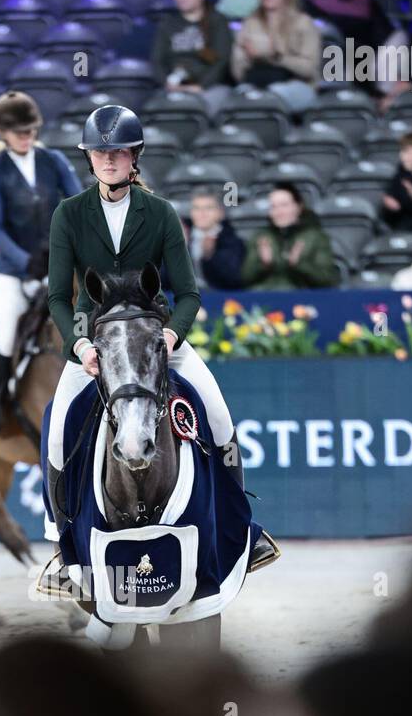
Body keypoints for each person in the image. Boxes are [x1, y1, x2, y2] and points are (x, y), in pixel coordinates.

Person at [46, 103, 278, 573]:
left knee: (219, 416)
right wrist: (80, 345)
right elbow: (57, 298)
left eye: (118, 152)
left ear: (134, 156)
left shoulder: (160, 213)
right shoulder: (69, 214)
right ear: (89, 158)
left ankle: (243, 531)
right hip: (95, 340)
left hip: (155, 337)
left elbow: (189, 294)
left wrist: (172, 335)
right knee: (55, 433)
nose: (108, 159)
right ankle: (62, 550)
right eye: (99, 152)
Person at [0, 91, 81, 438]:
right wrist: (26, 261)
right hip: (16, 272)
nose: (26, 136)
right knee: (6, 336)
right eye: (19, 132)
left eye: (31, 130)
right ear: (4, 133)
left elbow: (77, 203)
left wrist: (67, 246)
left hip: (59, 265)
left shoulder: (53, 160)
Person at [231, 0, 321, 115]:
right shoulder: (250, 23)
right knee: (240, 95)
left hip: (297, 85)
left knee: (272, 95)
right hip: (257, 81)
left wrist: (276, 57)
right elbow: (238, 70)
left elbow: (309, 68)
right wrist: (250, 58)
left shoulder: (303, 23)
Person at [151, 0, 234, 120]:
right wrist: (168, 84)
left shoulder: (217, 21)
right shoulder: (167, 24)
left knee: (202, 109)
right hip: (173, 87)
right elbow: (157, 60)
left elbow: (221, 60)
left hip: (209, 88)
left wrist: (200, 86)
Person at [241, 181, 338, 288]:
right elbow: (244, 278)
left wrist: (300, 264)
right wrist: (263, 264)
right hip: (266, 297)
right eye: (273, 206)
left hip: (302, 297)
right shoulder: (261, 237)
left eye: (284, 205)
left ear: (298, 206)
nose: (279, 211)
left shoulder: (316, 238)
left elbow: (328, 280)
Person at [183, 189, 246, 290]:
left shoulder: (232, 241)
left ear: (220, 213)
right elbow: (164, 280)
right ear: (191, 213)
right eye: (197, 208)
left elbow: (233, 279)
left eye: (208, 208)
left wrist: (210, 257)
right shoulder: (181, 236)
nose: (202, 213)